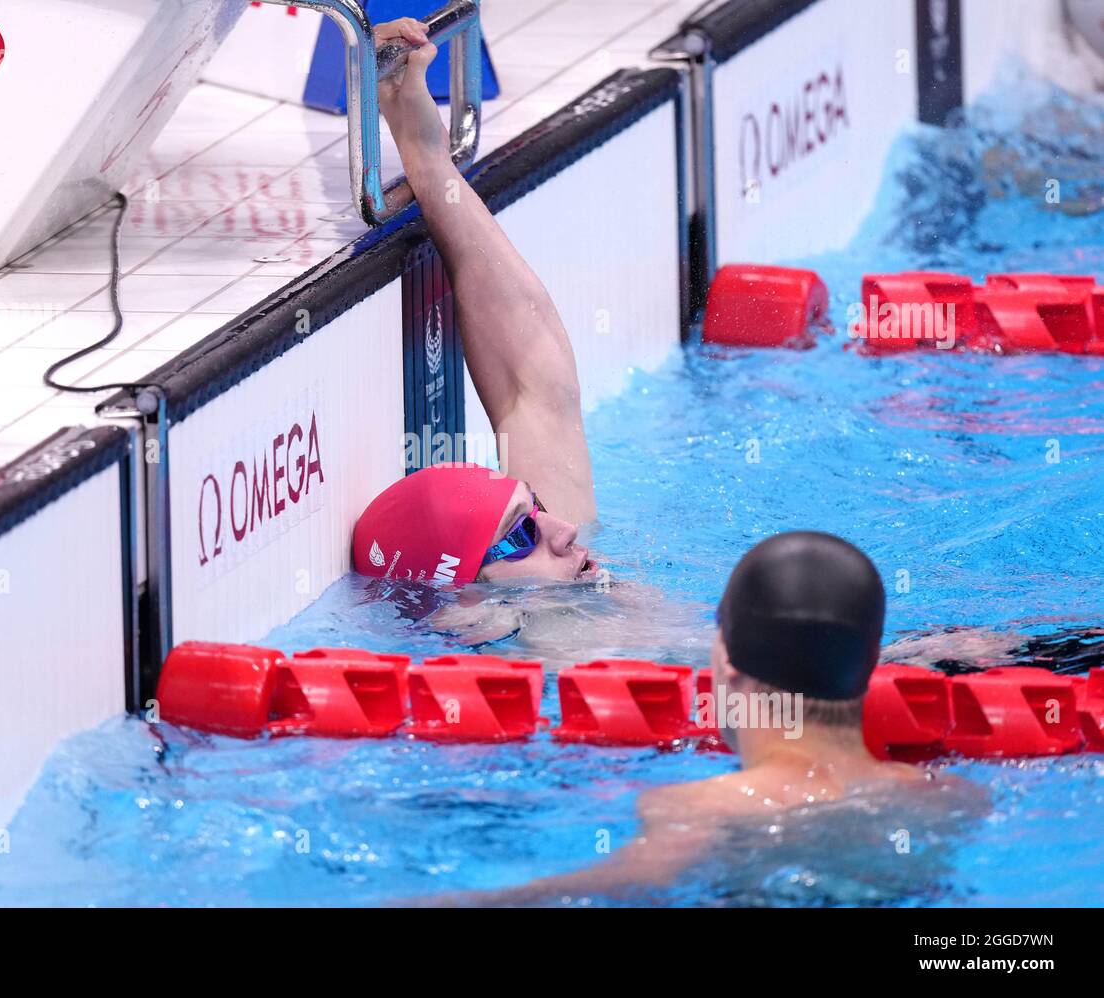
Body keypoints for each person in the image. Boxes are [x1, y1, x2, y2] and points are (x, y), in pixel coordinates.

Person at [443, 531, 984, 906]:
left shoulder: (697, 810)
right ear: (874, 664)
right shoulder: (951, 798)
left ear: (724, 661)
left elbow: (597, 892)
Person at [351, 19, 597, 587]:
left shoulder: (558, 585)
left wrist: (426, 156)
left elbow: (537, 390)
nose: (562, 531)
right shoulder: (549, 650)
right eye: (520, 535)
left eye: (533, 510)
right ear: (470, 612)